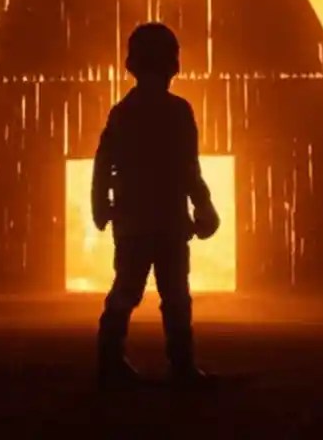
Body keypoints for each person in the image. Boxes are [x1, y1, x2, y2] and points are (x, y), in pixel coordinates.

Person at [92, 22, 220, 390]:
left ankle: (112, 363)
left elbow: (104, 163)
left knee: (129, 291)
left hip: (137, 223)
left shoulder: (124, 112)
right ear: (171, 66)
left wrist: (101, 205)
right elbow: (188, 169)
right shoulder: (177, 112)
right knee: (173, 295)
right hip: (166, 222)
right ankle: (179, 367)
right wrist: (204, 208)